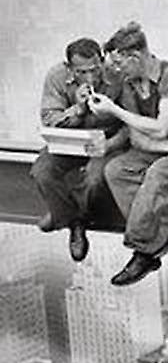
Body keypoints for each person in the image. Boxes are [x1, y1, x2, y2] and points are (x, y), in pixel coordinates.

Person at [89, 22, 168, 286]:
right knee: (116, 170)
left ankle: (143, 252)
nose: (118, 70)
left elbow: (161, 127)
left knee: (159, 173)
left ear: (135, 56)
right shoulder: (130, 84)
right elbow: (137, 137)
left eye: (120, 63)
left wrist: (115, 110)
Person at [32, 37, 128, 262]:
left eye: (94, 70)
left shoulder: (118, 76)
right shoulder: (56, 76)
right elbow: (49, 120)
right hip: (70, 140)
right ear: (69, 68)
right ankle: (72, 220)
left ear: (102, 61)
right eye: (81, 72)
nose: (90, 77)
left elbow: (130, 123)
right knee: (42, 172)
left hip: (106, 141)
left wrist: (110, 143)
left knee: (95, 179)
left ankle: (63, 215)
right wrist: (78, 109)